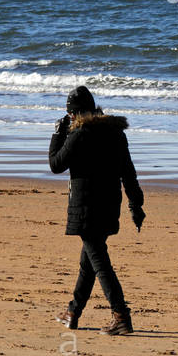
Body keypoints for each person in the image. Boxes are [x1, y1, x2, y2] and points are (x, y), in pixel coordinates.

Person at [48, 85, 145, 335]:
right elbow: (129, 173)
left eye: (70, 115)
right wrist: (136, 205)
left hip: (87, 209)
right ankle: (73, 312)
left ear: (74, 114)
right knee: (88, 263)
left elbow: (55, 165)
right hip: (110, 206)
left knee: (100, 263)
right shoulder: (116, 133)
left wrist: (57, 134)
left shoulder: (79, 134)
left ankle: (121, 316)